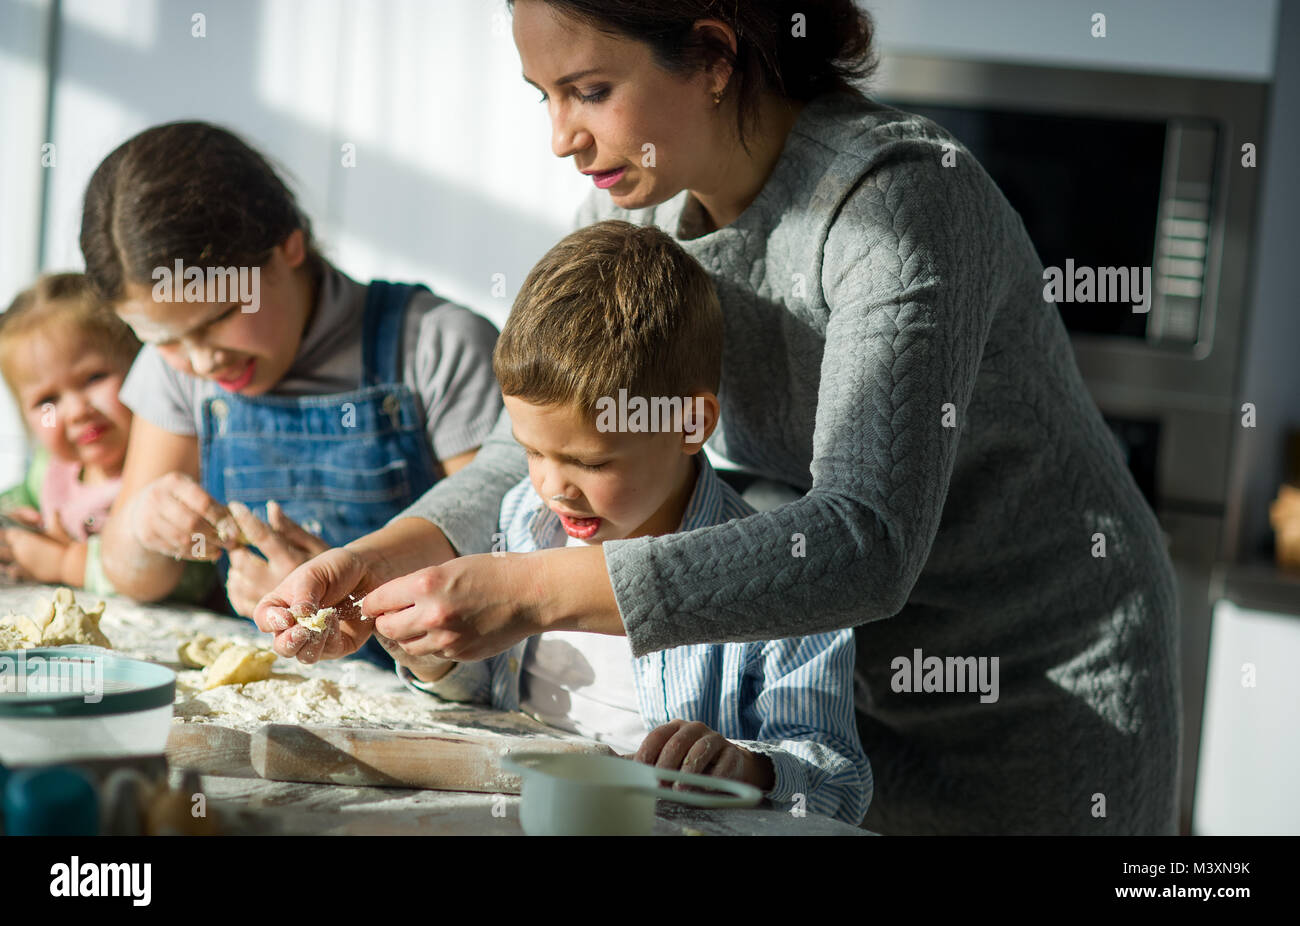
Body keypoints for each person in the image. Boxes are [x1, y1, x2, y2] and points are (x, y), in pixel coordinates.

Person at [257, 0, 1180, 834]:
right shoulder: (639, 211)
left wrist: (533, 590)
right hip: (817, 692)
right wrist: (380, 557)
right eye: (544, 96)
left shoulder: (898, 203)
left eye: (588, 90)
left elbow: (867, 539)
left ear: (711, 56)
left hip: (1035, 687)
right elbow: (521, 453)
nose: (561, 139)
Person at [376, 220, 869, 824]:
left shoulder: (779, 583)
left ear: (691, 422)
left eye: (590, 461)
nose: (552, 487)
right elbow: (485, 700)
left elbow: (840, 783)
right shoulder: (525, 523)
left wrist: (748, 767)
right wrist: (437, 664)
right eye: (531, 451)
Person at [81, 121, 502, 664]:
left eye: (222, 316)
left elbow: (498, 570)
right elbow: (133, 578)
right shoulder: (174, 371)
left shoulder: (435, 347)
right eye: (162, 339)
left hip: (428, 694)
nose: (202, 361)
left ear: (290, 245)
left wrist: (349, 599)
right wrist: (145, 524)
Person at [0, 273, 140, 593]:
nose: (77, 411)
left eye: (94, 378)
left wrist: (65, 564)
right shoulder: (49, 470)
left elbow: (185, 577)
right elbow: (16, 504)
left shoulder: (157, 469)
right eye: (47, 401)